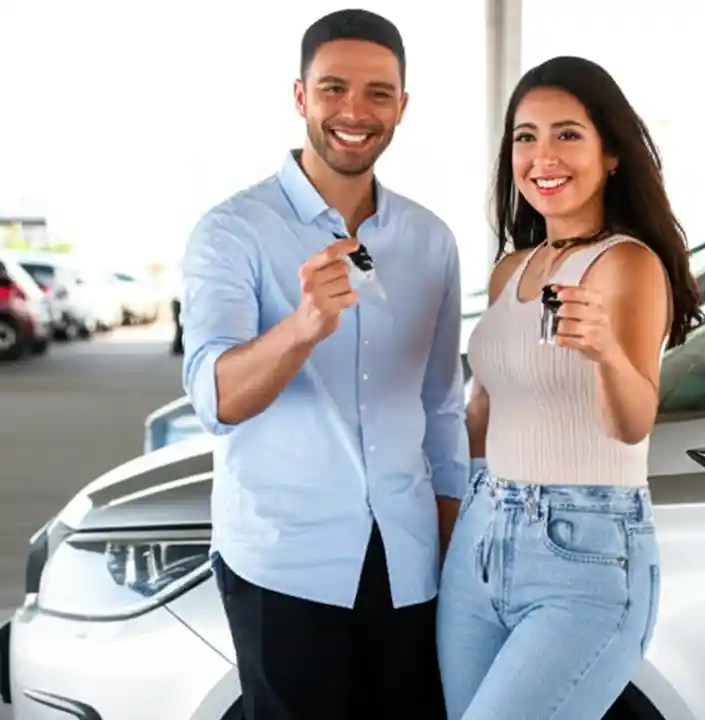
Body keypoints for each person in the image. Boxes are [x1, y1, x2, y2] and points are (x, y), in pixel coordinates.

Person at [179, 9, 466, 719]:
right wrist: (303, 327)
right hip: (286, 564)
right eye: (334, 88)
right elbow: (215, 399)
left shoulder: (431, 241)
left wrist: (452, 546)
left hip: (409, 561)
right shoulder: (231, 232)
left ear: (402, 105)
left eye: (377, 92)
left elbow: (441, 405)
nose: (354, 111)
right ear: (301, 96)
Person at [436, 55, 704, 719]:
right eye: (525, 137)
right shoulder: (510, 270)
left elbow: (633, 420)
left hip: (583, 551)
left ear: (611, 153)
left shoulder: (628, 265)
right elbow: (485, 407)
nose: (542, 156)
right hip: (482, 538)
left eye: (567, 134)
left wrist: (606, 350)